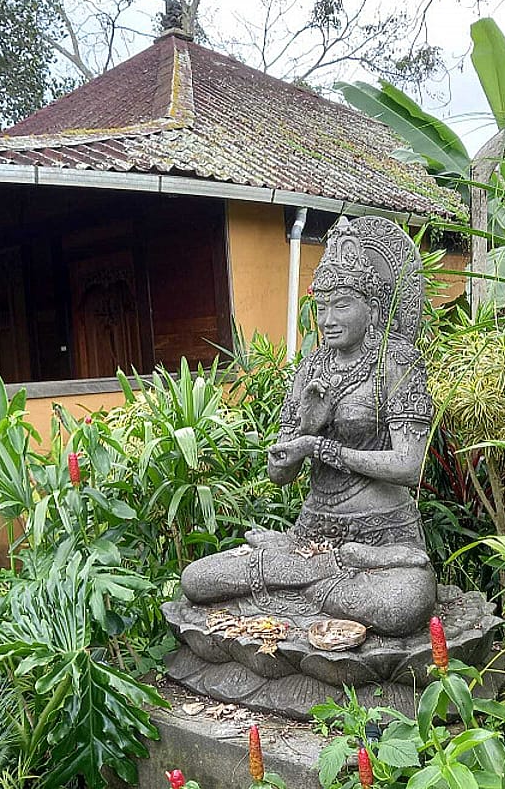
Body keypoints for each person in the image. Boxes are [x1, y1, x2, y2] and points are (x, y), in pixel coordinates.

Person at [179, 217, 437, 637]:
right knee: (197, 579)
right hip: (310, 536)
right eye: (321, 306)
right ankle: (325, 573)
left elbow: (410, 466)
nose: (327, 319)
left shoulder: (397, 362)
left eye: (342, 305)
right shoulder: (311, 367)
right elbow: (279, 474)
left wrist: (320, 447)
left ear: (372, 309)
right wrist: (306, 426)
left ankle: (304, 578)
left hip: (385, 540)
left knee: (402, 605)